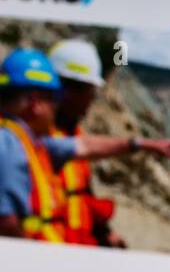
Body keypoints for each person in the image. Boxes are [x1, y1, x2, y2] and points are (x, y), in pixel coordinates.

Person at [0, 47, 170, 242]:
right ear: (35, 104)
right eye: (52, 99)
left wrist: (139, 144)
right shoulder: (3, 144)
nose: (56, 107)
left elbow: (84, 146)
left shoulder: (24, 141)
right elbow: (5, 223)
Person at [49, 38, 122, 247]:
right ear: (67, 91)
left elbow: (83, 193)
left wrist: (104, 233)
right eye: (89, 91)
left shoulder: (74, 134)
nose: (91, 100)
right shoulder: (36, 140)